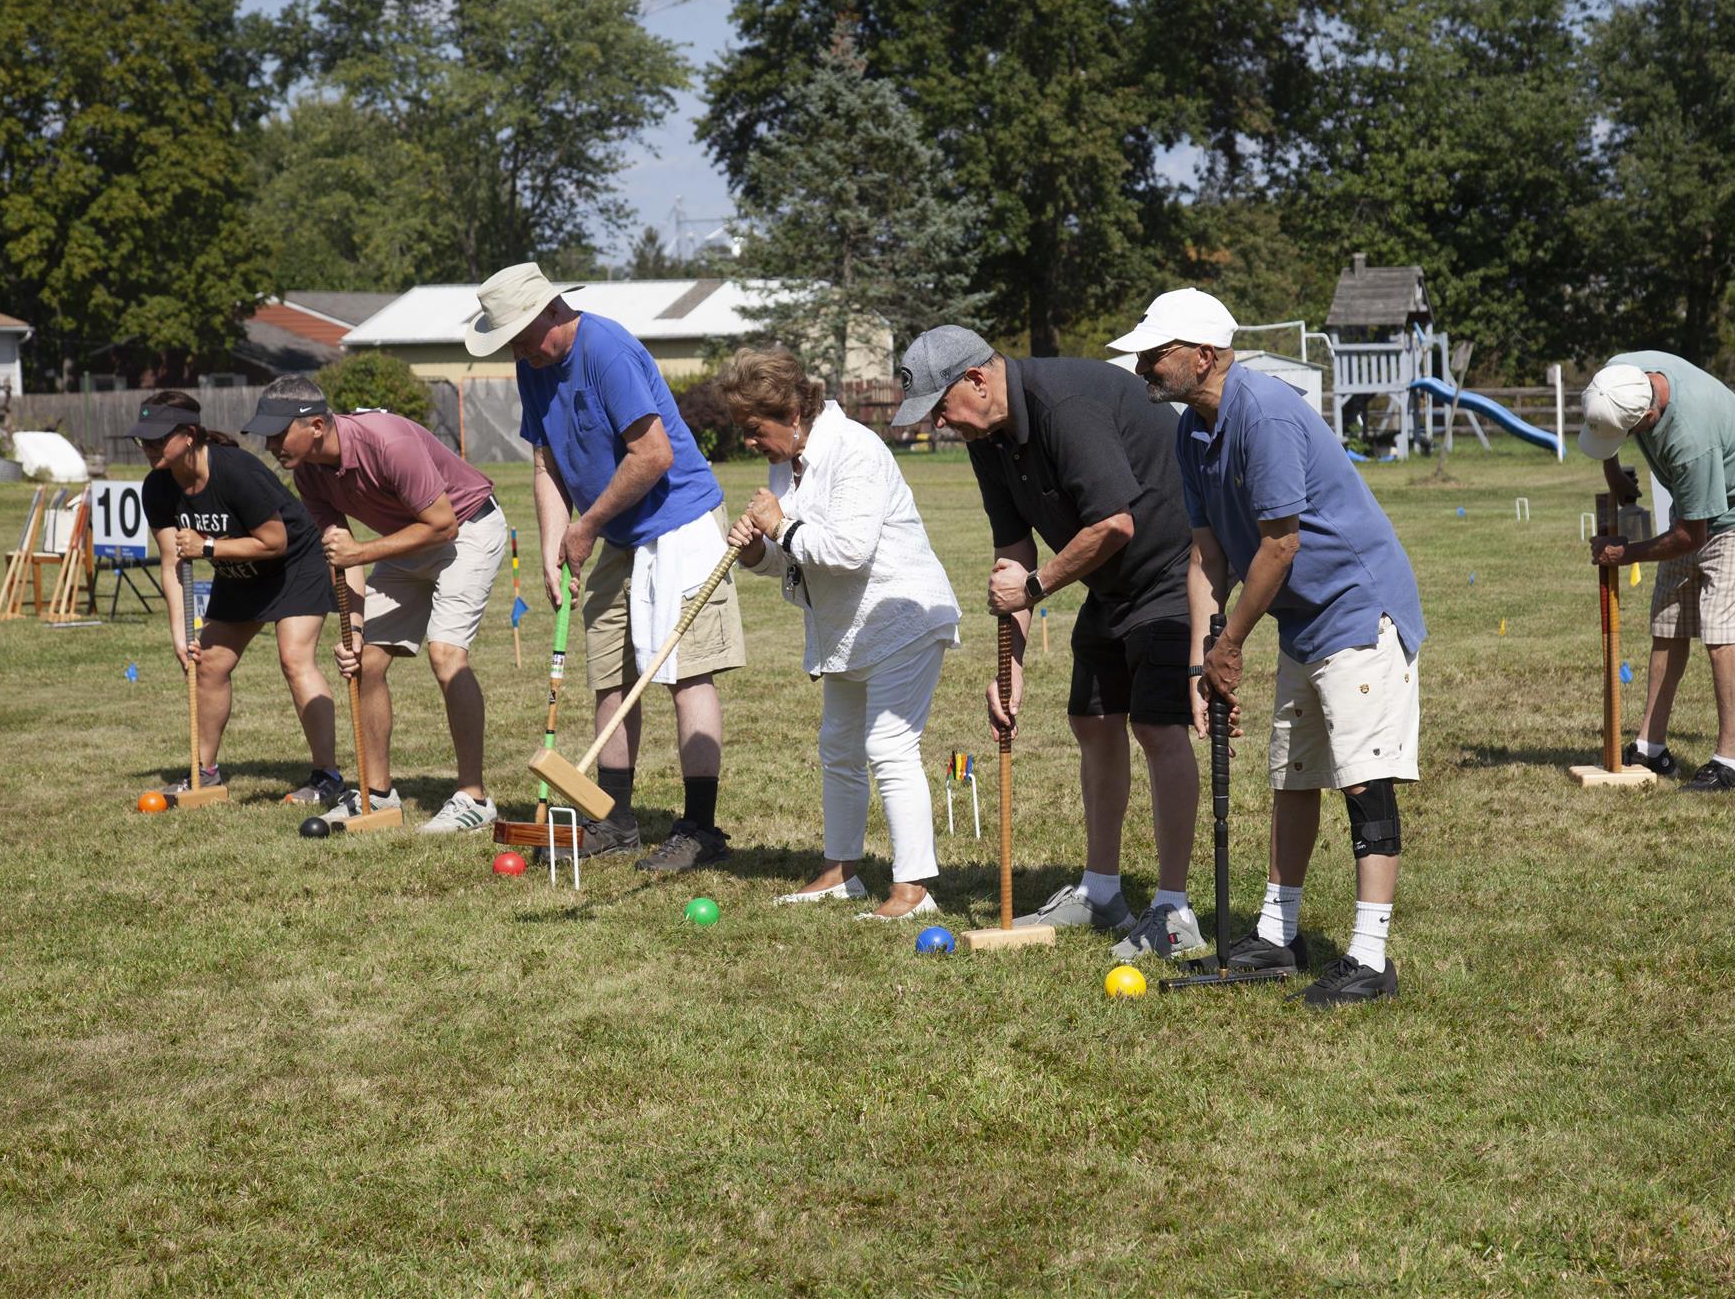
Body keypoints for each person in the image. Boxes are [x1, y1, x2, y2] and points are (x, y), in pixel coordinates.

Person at [1112, 288, 1424, 1008]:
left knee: (1362, 781)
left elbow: (1281, 545)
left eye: (1156, 355)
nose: (1144, 368)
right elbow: (1206, 557)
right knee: (1294, 773)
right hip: (1300, 620)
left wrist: (1231, 645)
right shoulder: (1193, 431)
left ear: (1206, 355)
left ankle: (1370, 960)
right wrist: (1202, 659)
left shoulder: (1268, 416)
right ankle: (1278, 936)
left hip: (1357, 608)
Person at [893, 325, 1202, 964]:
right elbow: (1013, 555)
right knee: (1091, 721)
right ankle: (1102, 890)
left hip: (1174, 570)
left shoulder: (1065, 407)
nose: (943, 425)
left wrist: (1035, 587)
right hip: (1108, 582)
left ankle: (1174, 908)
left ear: (976, 380)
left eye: (941, 409)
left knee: (1156, 727)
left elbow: (1114, 523)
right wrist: (1010, 665)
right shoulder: (989, 436)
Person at [468, 262, 745, 872]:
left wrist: (585, 527)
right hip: (615, 530)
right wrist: (550, 545)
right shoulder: (532, 363)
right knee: (610, 669)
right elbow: (546, 462)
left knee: (683, 673)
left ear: (548, 313)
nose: (515, 351)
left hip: (679, 523)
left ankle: (701, 828)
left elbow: (654, 455)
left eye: (516, 336)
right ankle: (616, 820)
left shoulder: (606, 349)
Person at [718, 346, 961, 921]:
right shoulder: (789, 464)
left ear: (791, 413)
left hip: (901, 617)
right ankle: (839, 872)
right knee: (839, 748)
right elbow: (799, 560)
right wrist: (759, 551)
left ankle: (914, 889)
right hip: (848, 628)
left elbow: (847, 552)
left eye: (754, 429)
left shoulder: (854, 450)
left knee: (888, 746)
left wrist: (779, 523)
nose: (749, 443)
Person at [242, 375, 508, 833]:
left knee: (445, 655)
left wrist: (361, 552)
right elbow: (339, 551)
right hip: (404, 542)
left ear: (317, 426)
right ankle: (378, 795)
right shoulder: (307, 471)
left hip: (466, 529)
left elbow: (441, 525)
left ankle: (474, 797)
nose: (269, 445)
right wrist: (355, 630)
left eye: (278, 432)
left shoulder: (388, 443)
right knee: (364, 662)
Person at [1580, 353, 1735, 792]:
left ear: (1651, 415)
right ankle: (1650, 748)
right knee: (1668, 623)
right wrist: (1613, 469)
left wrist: (1627, 552)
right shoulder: (1618, 377)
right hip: (1695, 504)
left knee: (1719, 629)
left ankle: (1727, 763)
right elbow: (1607, 427)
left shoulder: (1690, 438)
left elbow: (1692, 536)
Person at [135, 391, 341, 802]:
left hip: (293, 565)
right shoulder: (157, 487)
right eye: (144, 440)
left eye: (159, 439)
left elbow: (275, 541)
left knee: (294, 659)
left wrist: (208, 547)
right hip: (238, 571)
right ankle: (205, 774)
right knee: (207, 663)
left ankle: (327, 776)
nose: (149, 447)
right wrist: (179, 633)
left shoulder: (236, 471)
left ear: (190, 435)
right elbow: (172, 560)